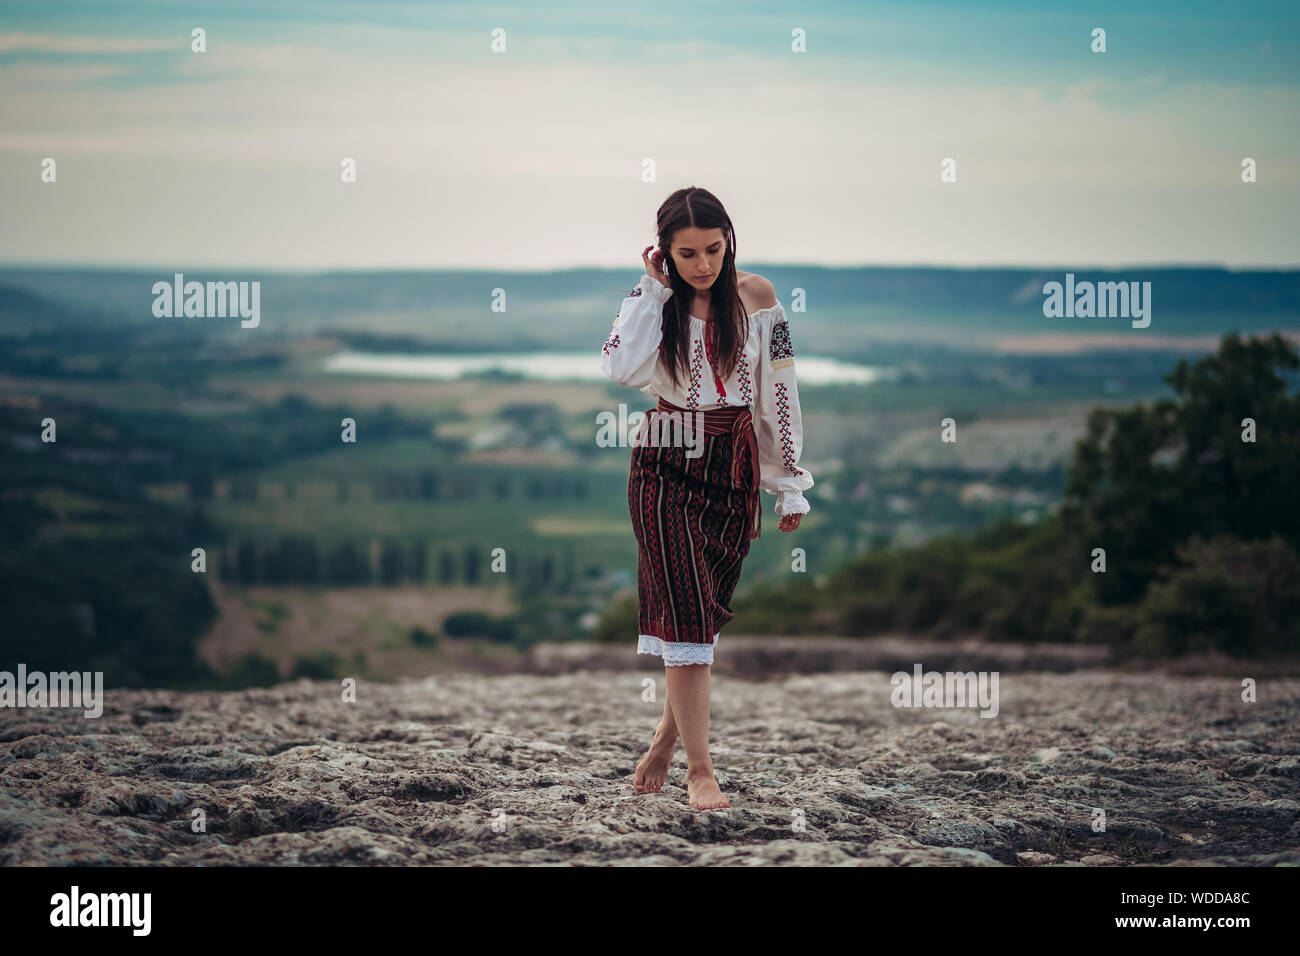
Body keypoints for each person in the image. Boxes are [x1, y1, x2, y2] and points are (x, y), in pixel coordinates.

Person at [599, 186, 813, 809]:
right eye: (686, 253)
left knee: (704, 615)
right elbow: (621, 368)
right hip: (666, 461)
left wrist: (789, 482)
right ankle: (701, 769)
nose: (702, 264)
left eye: (713, 250)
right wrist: (651, 289)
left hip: (734, 465)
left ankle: (666, 737)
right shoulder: (655, 302)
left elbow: (780, 392)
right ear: (663, 251)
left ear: (729, 243)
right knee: (688, 613)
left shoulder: (759, 298)